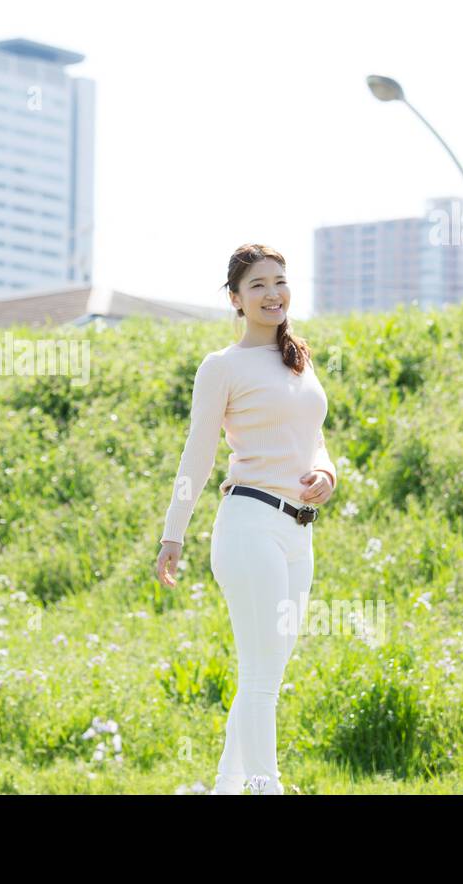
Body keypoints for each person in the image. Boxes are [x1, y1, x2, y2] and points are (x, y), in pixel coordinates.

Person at [155, 244, 337, 795]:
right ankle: (266, 787)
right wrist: (173, 532)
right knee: (261, 677)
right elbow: (198, 455)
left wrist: (327, 475)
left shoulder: (298, 360)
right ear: (235, 299)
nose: (272, 293)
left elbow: (316, 441)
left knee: (268, 674)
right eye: (257, 284)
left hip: (298, 531)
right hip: (249, 523)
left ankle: (228, 788)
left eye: (279, 281)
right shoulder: (222, 367)